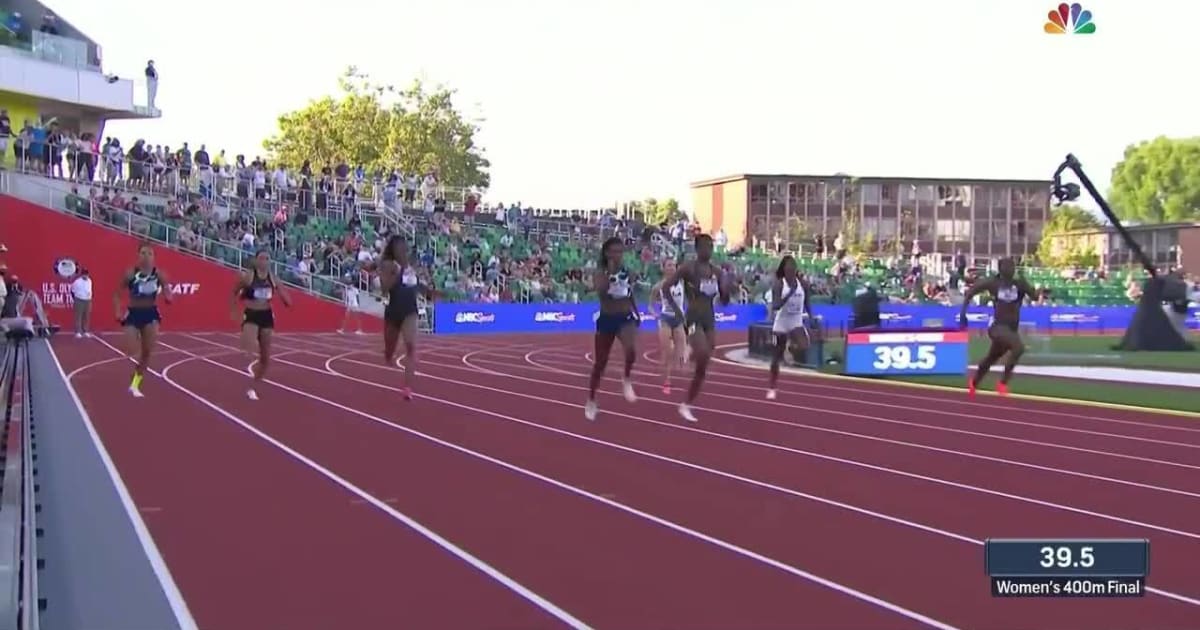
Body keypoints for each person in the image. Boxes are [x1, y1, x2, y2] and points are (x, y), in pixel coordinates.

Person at [662, 233, 730, 422]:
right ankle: (686, 348)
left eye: (711, 246)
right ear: (697, 248)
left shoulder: (717, 271)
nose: (708, 250)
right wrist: (677, 310)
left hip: (709, 318)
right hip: (692, 318)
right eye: (705, 246)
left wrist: (726, 289)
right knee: (703, 355)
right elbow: (667, 288)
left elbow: (724, 302)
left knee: (704, 363)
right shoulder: (688, 269)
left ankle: (686, 404)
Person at [959, 257, 1034, 397]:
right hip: (997, 327)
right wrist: (963, 314)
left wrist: (1027, 285)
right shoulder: (993, 283)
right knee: (1018, 348)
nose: (1011, 270)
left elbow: (1034, 297)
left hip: (1011, 329)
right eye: (1008, 267)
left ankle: (974, 383)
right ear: (1001, 269)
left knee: (991, 358)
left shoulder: (1018, 284)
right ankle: (1003, 384)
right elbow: (970, 293)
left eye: (1012, 267)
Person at [584, 237, 640, 421]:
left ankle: (626, 378)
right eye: (614, 251)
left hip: (625, 317)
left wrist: (636, 312)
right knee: (600, 363)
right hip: (607, 319)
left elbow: (629, 293)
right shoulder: (600, 272)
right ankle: (591, 399)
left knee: (631, 350)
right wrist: (611, 272)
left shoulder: (628, 271)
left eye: (621, 251)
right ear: (607, 253)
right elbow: (602, 290)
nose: (618, 255)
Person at [114, 243, 174, 397]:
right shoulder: (130, 274)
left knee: (147, 352)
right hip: (133, 313)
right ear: (138, 255)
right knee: (131, 349)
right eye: (143, 253)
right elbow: (117, 293)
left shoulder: (159, 274)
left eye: (149, 253)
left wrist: (168, 297)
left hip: (150, 314)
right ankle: (134, 374)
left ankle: (135, 384)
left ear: (154, 257)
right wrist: (118, 311)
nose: (146, 256)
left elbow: (167, 288)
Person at [232, 249, 292, 400]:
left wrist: (287, 300)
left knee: (265, 358)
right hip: (251, 313)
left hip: (266, 315)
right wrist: (235, 310)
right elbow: (235, 291)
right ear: (257, 260)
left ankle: (253, 386)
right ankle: (246, 354)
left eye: (267, 258)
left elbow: (283, 292)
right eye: (262, 258)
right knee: (249, 347)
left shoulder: (273, 278)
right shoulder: (249, 276)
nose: (265, 261)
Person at [379, 235, 427, 400]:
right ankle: (388, 354)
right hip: (393, 309)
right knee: (390, 350)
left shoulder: (410, 265)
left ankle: (407, 387)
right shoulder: (387, 264)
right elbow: (385, 289)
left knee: (411, 346)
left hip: (409, 308)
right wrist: (398, 273)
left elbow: (413, 284)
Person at [766, 255, 812, 400]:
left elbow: (808, 302)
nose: (791, 269)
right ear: (784, 269)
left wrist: (811, 316)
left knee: (804, 346)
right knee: (776, 359)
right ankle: (772, 387)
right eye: (788, 267)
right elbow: (776, 306)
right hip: (782, 321)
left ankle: (790, 348)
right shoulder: (779, 284)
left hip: (796, 320)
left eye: (793, 266)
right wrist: (789, 294)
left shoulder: (803, 284)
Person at [648, 258, 687, 394]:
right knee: (667, 352)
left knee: (681, 353)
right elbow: (650, 305)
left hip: (679, 319)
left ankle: (672, 370)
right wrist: (655, 314)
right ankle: (667, 381)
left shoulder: (682, 282)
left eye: (673, 266)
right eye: (668, 266)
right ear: (663, 268)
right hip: (665, 319)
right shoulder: (658, 286)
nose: (671, 268)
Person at [70, 267, 93, 338]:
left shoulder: (89, 281)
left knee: (86, 316)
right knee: (78, 316)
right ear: (81, 274)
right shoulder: (77, 282)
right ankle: (78, 331)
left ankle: (85, 331)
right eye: (84, 274)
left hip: (88, 300)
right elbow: (72, 290)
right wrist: (75, 299)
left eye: (86, 274)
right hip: (79, 299)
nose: (85, 276)